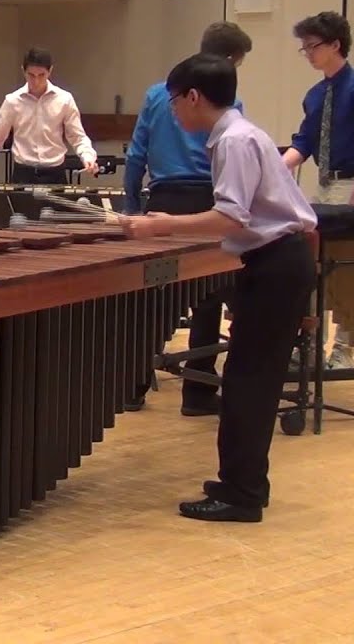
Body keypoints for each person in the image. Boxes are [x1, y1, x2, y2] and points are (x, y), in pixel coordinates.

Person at [118, 53, 317, 522]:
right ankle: (241, 485)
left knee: (250, 381)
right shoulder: (235, 135)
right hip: (269, 261)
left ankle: (242, 494)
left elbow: (230, 217)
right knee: (249, 378)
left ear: (193, 96)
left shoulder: (234, 140)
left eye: (174, 102)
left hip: (277, 263)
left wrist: (161, 227)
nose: (172, 111)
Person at [123, 21, 255, 416]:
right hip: (206, 202)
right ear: (231, 60)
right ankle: (197, 392)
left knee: (150, 296)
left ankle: (132, 387)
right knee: (207, 298)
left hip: (162, 198)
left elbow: (136, 153)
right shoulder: (232, 109)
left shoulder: (155, 94)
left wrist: (132, 205)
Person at [281, 11, 354, 369]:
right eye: (304, 48)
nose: (308, 54)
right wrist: (276, 169)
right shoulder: (315, 94)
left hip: (352, 185)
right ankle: (311, 345)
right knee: (315, 267)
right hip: (324, 185)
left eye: (312, 47)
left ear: (335, 45)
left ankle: (344, 347)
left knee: (347, 272)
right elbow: (305, 141)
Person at [0, 48, 99, 184]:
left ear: (50, 71)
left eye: (41, 75)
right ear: (23, 70)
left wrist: (88, 156)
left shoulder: (64, 99)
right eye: (31, 75)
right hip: (23, 173)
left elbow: (77, 137)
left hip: (55, 174)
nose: (36, 81)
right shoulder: (13, 101)